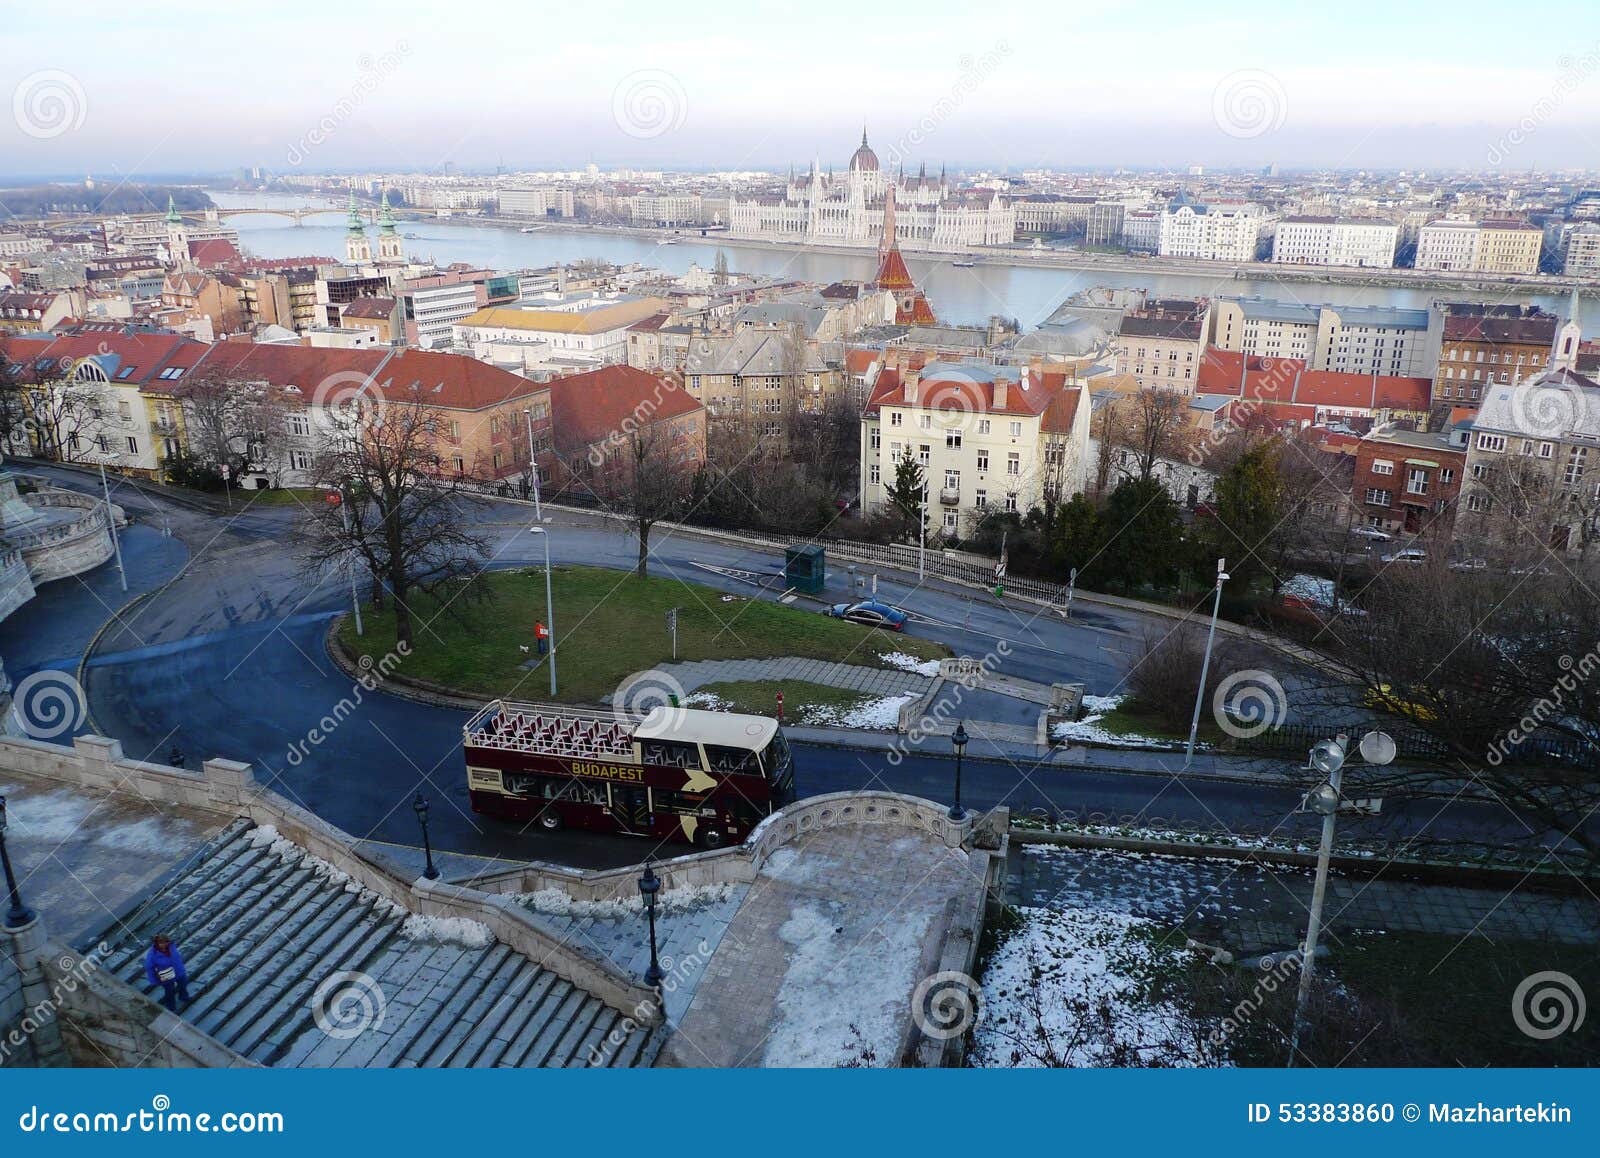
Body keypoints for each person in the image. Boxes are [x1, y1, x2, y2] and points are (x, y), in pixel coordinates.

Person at [144, 935, 191, 1011]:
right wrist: (154, 980)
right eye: (161, 942)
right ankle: (170, 1005)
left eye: (166, 942)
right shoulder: (152, 954)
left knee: (183, 984)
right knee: (170, 990)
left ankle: (183, 997)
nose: (164, 944)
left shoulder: (172, 946)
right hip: (166, 975)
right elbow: (149, 967)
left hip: (178, 971)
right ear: (157, 943)